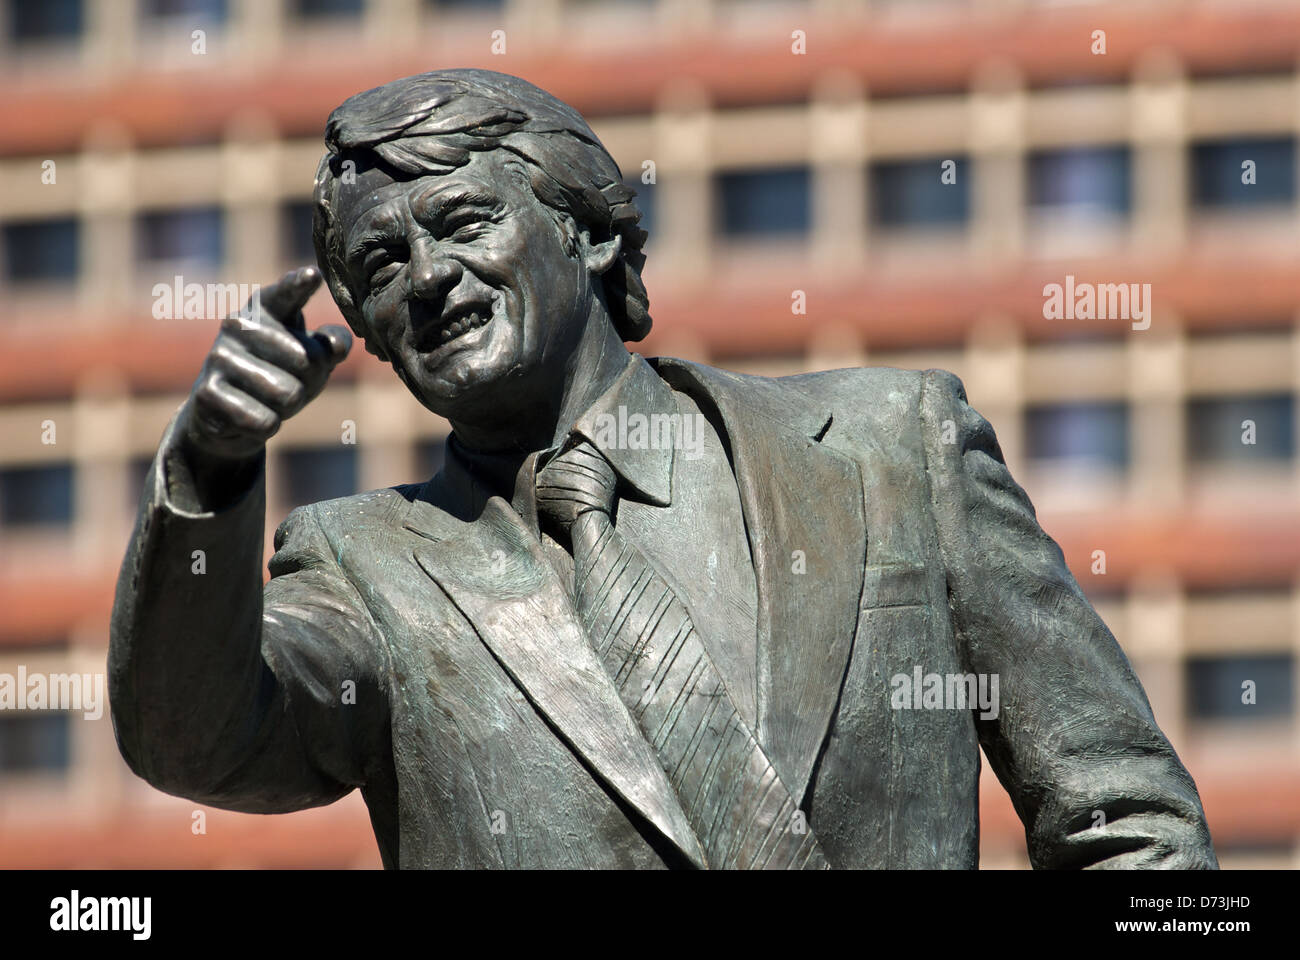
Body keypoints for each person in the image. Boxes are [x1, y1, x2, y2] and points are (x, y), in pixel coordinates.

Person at [109, 69, 1217, 869]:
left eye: (460, 222)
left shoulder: (893, 451)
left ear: (587, 232)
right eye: (381, 264)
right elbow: (195, 740)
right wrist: (211, 467)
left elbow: (1127, 826)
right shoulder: (362, 567)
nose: (428, 277)